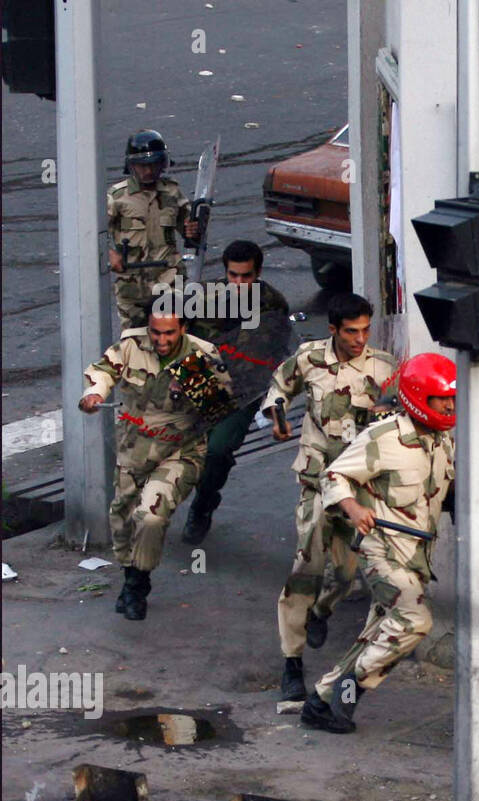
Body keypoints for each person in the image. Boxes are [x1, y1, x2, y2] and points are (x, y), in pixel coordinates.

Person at [300, 353, 456, 733]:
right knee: (414, 622)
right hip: (382, 549)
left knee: (379, 630)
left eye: (453, 398)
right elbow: (333, 476)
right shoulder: (383, 438)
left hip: (417, 554)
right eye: (442, 399)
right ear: (420, 396)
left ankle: (321, 703)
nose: (450, 406)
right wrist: (353, 508)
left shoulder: (442, 441)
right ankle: (351, 689)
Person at [262, 294, 399, 703]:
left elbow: (396, 417)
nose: (360, 339)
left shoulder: (384, 367)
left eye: (364, 331)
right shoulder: (309, 359)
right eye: (351, 332)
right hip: (318, 479)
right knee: (308, 562)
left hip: (358, 487)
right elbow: (278, 385)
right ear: (334, 330)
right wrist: (278, 415)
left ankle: (322, 610)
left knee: (343, 572)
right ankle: (292, 661)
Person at [78, 305, 234, 620]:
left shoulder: (203, 355)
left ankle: (138, 584)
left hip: (180, 449)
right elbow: (105, 370)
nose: (161, 340)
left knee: (151, 515)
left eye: (170, 333)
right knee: (123, 517)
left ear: (183, 329)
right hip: (134, 446)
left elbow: (224, 404)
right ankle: (130, 574)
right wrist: (94, 393)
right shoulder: (130, 345)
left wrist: (195, 387)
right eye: (156, 332)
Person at [181, 240, 295, 544]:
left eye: (246, 277)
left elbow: (278, 355)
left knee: (218, 451)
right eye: (233, 276)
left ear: (257, 273)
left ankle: (203, 505)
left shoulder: (272, 304)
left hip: (243, 390)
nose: (239, 283)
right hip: (202, 382)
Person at [107, 130, 198, 330]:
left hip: (169, 278)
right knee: (135, 342)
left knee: (174, 336)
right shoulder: (117, 197)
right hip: (133, 282)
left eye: (154, 164)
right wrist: (110, 253)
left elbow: (188, 228)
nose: (148, 170)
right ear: (131, 165)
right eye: (142, 165)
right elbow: (95, 232)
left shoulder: (172, 192)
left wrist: (192, 230)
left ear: (163, 164)